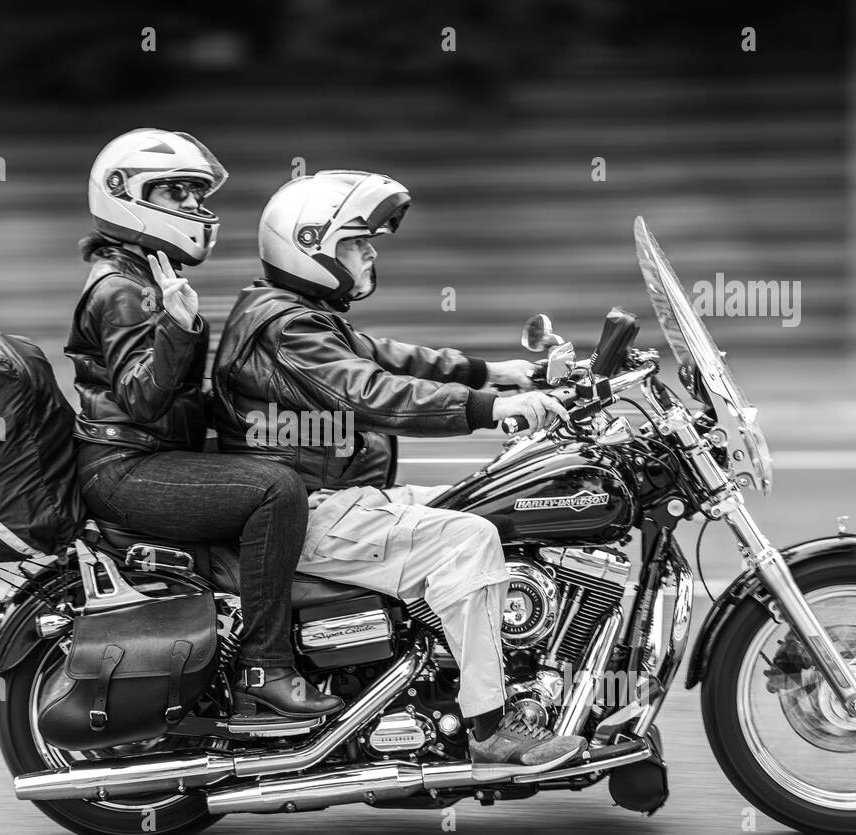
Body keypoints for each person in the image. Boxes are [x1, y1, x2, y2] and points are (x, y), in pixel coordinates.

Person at [212, 170, 587, 770]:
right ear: (312, 246)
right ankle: (491, 727)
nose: (369, 253)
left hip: (339, 496)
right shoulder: (287, 329)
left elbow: (391, 358)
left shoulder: (298, 314)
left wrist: (497, 373)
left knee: (492, 502)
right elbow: (374, 392)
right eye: (357, 242)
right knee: (471, 539)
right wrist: (491, 408)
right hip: (309, 511)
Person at [67, 129, 342, 721]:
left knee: (293, 459)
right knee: (276, 487)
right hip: (126, 469)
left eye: (196, 196)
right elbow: (142, 398)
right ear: (125, 194)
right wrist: (178, 323)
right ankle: (266, 667)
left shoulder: (141, 274)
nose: (194, 209)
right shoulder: (123, 288)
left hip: (147, 458)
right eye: (176, 194)